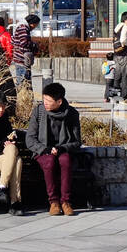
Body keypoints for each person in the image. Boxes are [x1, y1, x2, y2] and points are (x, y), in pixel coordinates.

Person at [25, 81, 82, 216]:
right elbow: (30, 139)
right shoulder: (38, 111)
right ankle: (54, 202)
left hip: (63, 149)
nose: (45, 103)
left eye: (49, 101)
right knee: (49, 161)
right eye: (44, 99)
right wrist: (44, 149)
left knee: (65, 161)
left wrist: (62, 148)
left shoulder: (72, 114)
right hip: (43, 151)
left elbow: (76, 141)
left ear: (59, 101)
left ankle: (66, 202)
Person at [110, 12, 127, 101]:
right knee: (125, 76)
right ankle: (125, 97)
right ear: (126, 20)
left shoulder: (118, 27)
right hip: (123, 55)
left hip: (116, 55)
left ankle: (115, 96)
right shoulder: (125, 27)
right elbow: (123, 40)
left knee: (117, 76)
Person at [11, 14, 39, 89]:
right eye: (36, 25)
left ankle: (26, 98)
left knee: (25, 82)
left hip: (21, 59)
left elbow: (14, 41)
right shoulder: (23, 28)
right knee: (22, 82)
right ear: (32, 23)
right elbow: (24, 43)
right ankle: (21, 98)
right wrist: (34, 45)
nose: (35, 27)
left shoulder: (21, 27)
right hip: (22, 59)